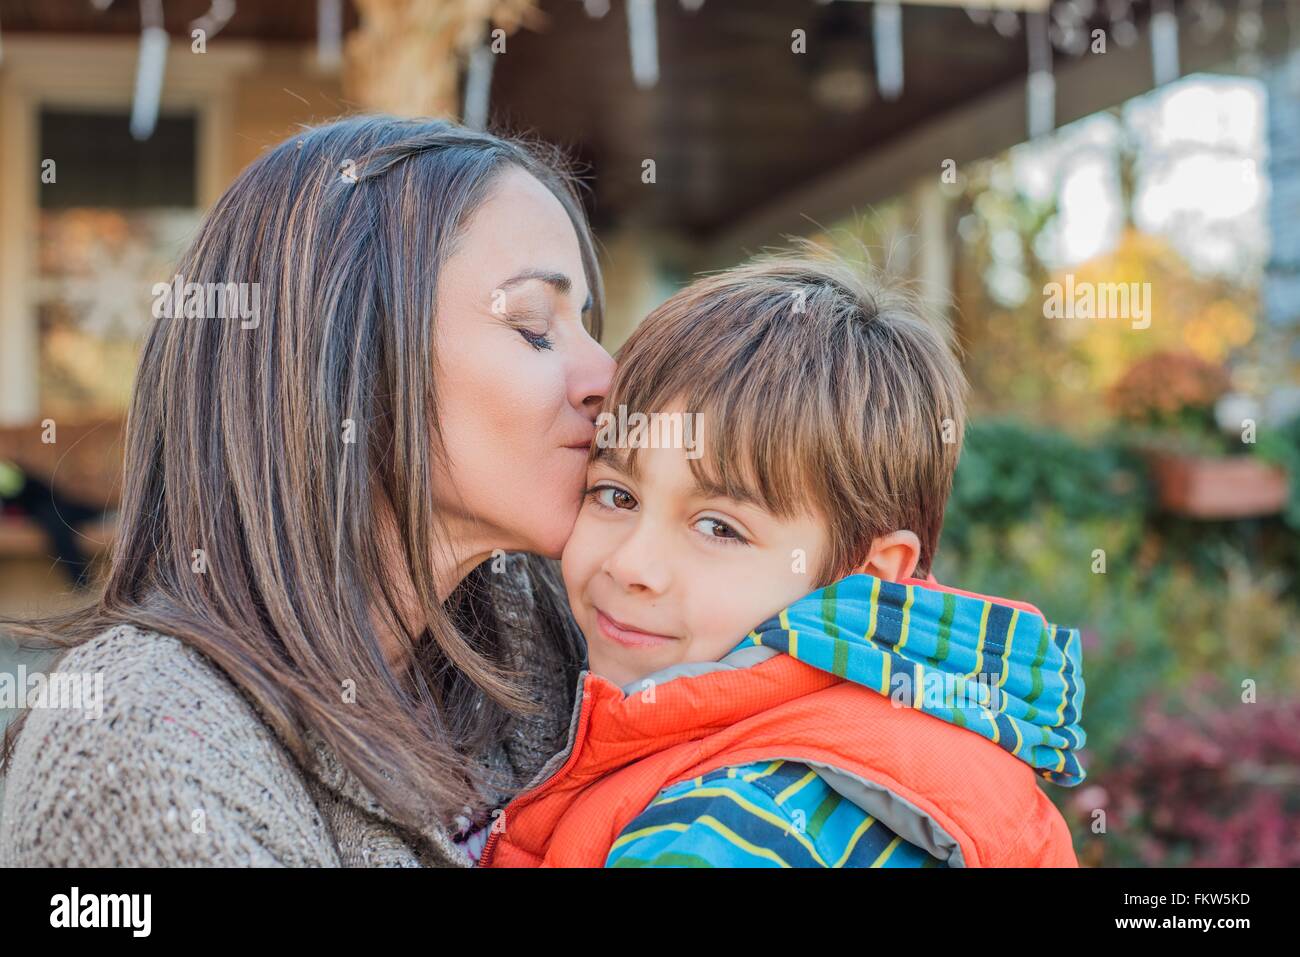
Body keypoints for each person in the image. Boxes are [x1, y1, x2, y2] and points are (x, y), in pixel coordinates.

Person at [0, 115, 615, 867]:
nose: (609, 379)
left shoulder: (540, 648)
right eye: (532, 323)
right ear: (343, 355)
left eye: (585, 324)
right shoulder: (146, 746)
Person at [479, 252, 1085, 868]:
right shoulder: (921, 731)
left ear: (869, 573)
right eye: (617, 495)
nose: (633, 564)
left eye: (719, 527)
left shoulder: (728, 827)